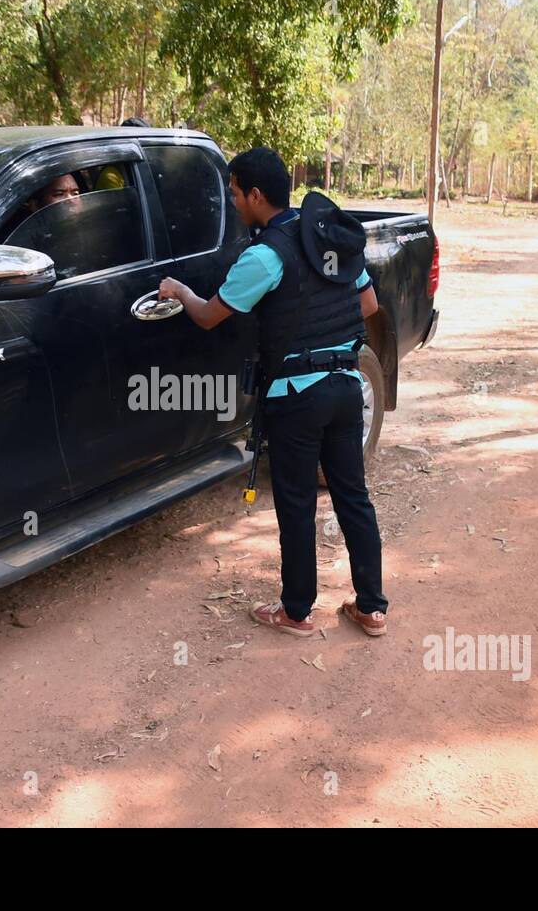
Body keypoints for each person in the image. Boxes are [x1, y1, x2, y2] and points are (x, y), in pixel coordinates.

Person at [158, 146, 388, 638]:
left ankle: (296, 611)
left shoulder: (264, 256)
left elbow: (209, 315)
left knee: (297, 503)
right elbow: (368, 303)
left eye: (236, 192)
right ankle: (371, 608)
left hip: (297, 398)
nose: (235, 201)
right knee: (353, 498)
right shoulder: (330, 236)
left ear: (257, 194)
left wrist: (179, 291)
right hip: (347, 386)